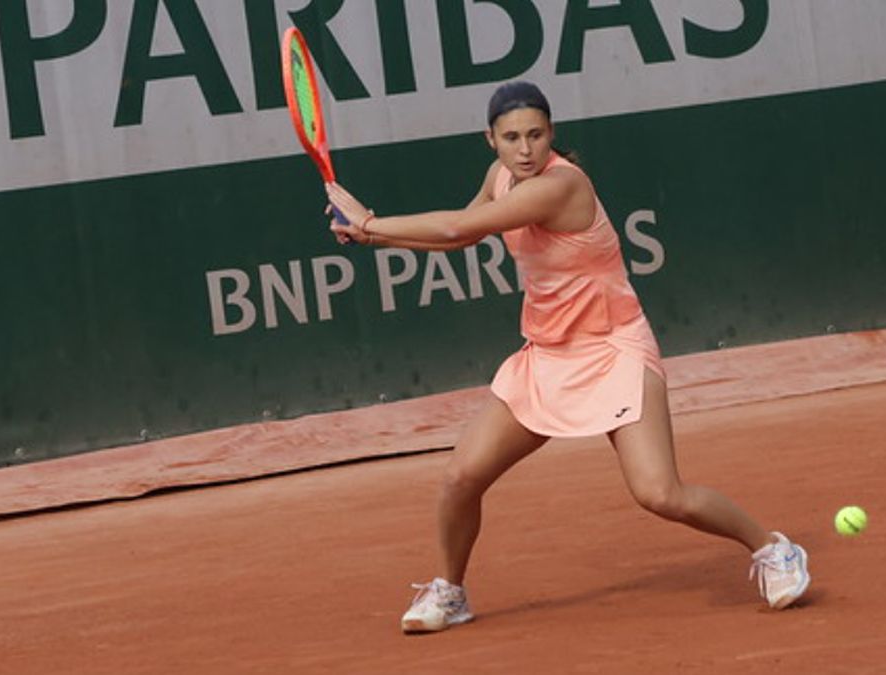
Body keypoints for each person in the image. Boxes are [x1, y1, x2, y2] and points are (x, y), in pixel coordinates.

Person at [325, 81, 809, 634]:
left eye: (535, 135)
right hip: (548, 355)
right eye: (511, 138)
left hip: (612, 349)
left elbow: (459, 227)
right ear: (491, 140)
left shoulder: (561, 184)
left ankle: (772, 548)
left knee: (659, 493)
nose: (525, 148)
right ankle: (450, 591)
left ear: (551, 134)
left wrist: (369, 222)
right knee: (461, 477)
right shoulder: (502, 177)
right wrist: (375, 240)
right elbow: (461, 236)